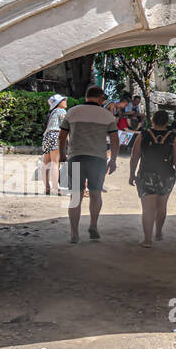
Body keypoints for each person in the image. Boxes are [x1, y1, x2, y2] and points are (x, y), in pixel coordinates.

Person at [58, 86, 120, 243]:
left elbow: (62, 136)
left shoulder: (72, 111)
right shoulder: (107, 115)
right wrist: (112, 160)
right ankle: (93, 225)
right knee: (95, 194)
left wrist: (62, 154)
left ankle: (74, 233)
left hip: (76, 158)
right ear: (100, 97)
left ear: (86, 96)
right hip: (97, 160)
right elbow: (114, 140)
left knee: (75, 196)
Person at [129, 109, 176, 247]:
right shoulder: (173, 137)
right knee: (161, 206)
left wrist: (132, 174)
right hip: (166, 175)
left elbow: (134, 156)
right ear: (167, 122)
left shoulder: (143, 135)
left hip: (146, 174)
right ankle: (158, 232)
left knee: (148, 209)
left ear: (152, 120)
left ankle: (147, 240)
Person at [40, 95, 69, 196]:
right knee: (55, 163)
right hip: (56, 135)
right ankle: (55, 189)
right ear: (58, 103)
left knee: (45, 163)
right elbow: (65, 128)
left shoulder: (52, 113)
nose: (65, 101)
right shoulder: (61, 111)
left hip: (47, 136)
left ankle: (47, 188)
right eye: (63, 100)